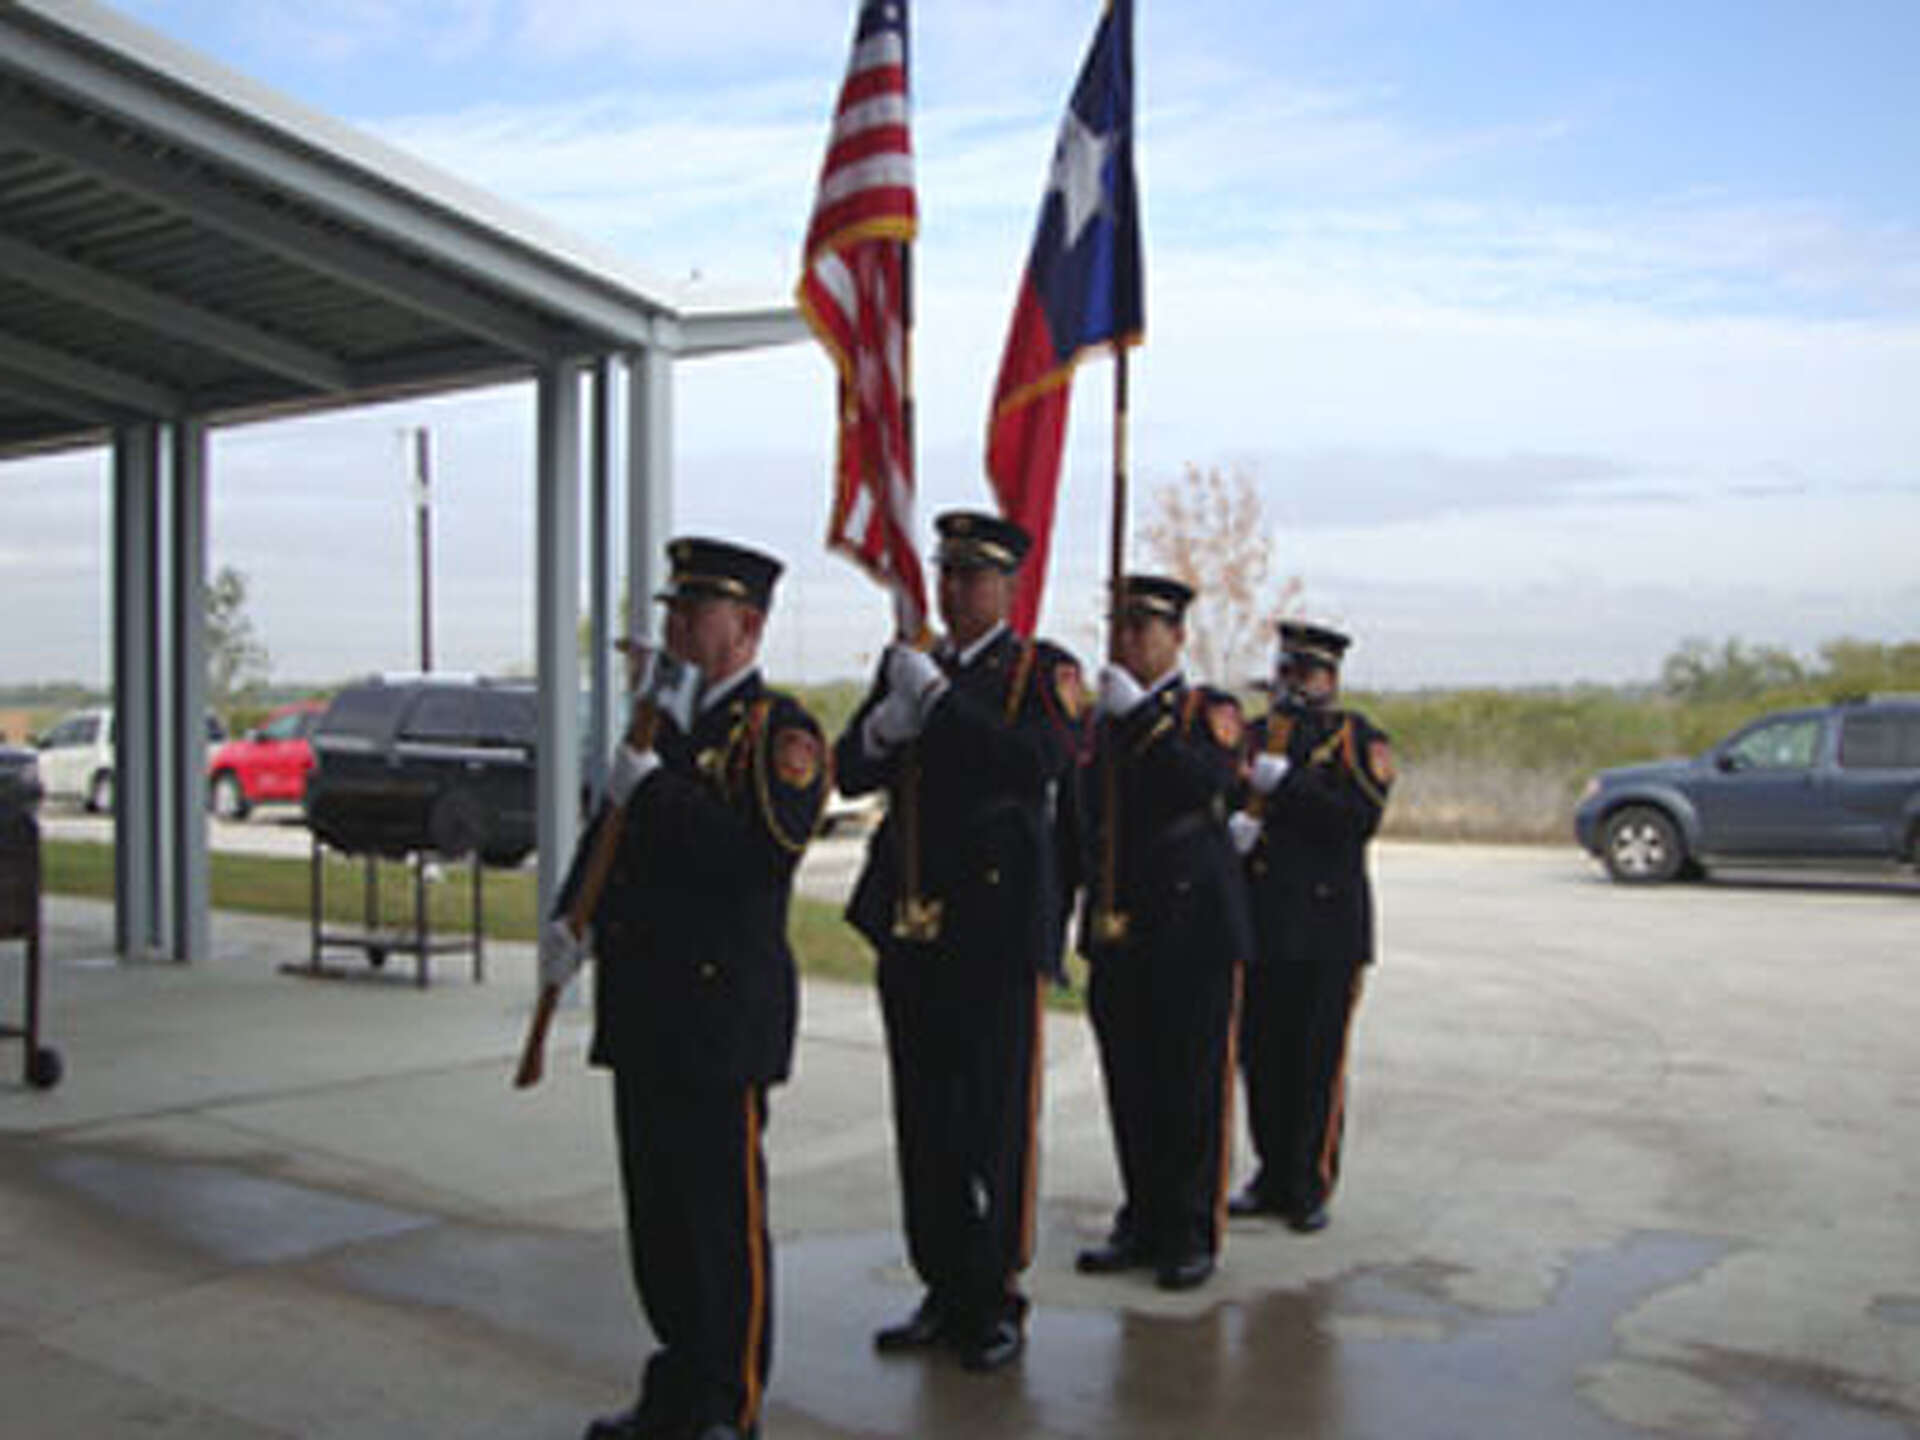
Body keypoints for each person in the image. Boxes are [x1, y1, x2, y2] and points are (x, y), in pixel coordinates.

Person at [537, 537, 827, 1440]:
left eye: (692, 613)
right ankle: (674, 1388)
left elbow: (759, 858)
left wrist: (657, 792)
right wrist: (568, 924)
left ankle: (727, 1404)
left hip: (719, 1017)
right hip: (647, 1008)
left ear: (744, 627)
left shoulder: (779, 731)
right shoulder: (659, 724)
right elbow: (612, 836)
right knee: (658, 1224)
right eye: (671, 610)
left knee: (719, 1228)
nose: (674, 627)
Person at [833, 510, 1083, 1372]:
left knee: (993, 1119)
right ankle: (942, 1284)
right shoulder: (910, 662)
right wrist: (881, 727)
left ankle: (996, 1293)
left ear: (1010, 587)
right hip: (914, 921)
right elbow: (847, 769)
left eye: (974, 577)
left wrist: (937, 709)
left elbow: (1038, 763)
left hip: (996, 924)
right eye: (946, 573)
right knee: (926, 1118)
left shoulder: (1039, 672)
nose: (954, 590)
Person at [1071, 575, 1252, 1291]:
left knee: (1191, 1085)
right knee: (1132, 1082)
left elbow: (1205, 783)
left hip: (1193, 921)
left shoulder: (1209, 711)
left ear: (1178, 637)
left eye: (1145, 627)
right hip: (1120, 920)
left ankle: (1191, 1228)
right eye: (1120, 626)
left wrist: (1142, 717)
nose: (1130, 640)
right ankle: (1142, 1216)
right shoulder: (1098, 721)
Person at [1226, 619, 1393, 1234]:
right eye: (1287, 669)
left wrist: (1289, 785)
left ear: (1331, 678)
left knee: (1314, 1061)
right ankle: (1271, 1174)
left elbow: (1359, 818)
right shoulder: (1251, 735)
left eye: (1307, 671)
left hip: (1326, 929)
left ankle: (1309, 1182)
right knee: (1261, 1058)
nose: (1294, 683)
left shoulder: (1355, 739)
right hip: (1262, 924)